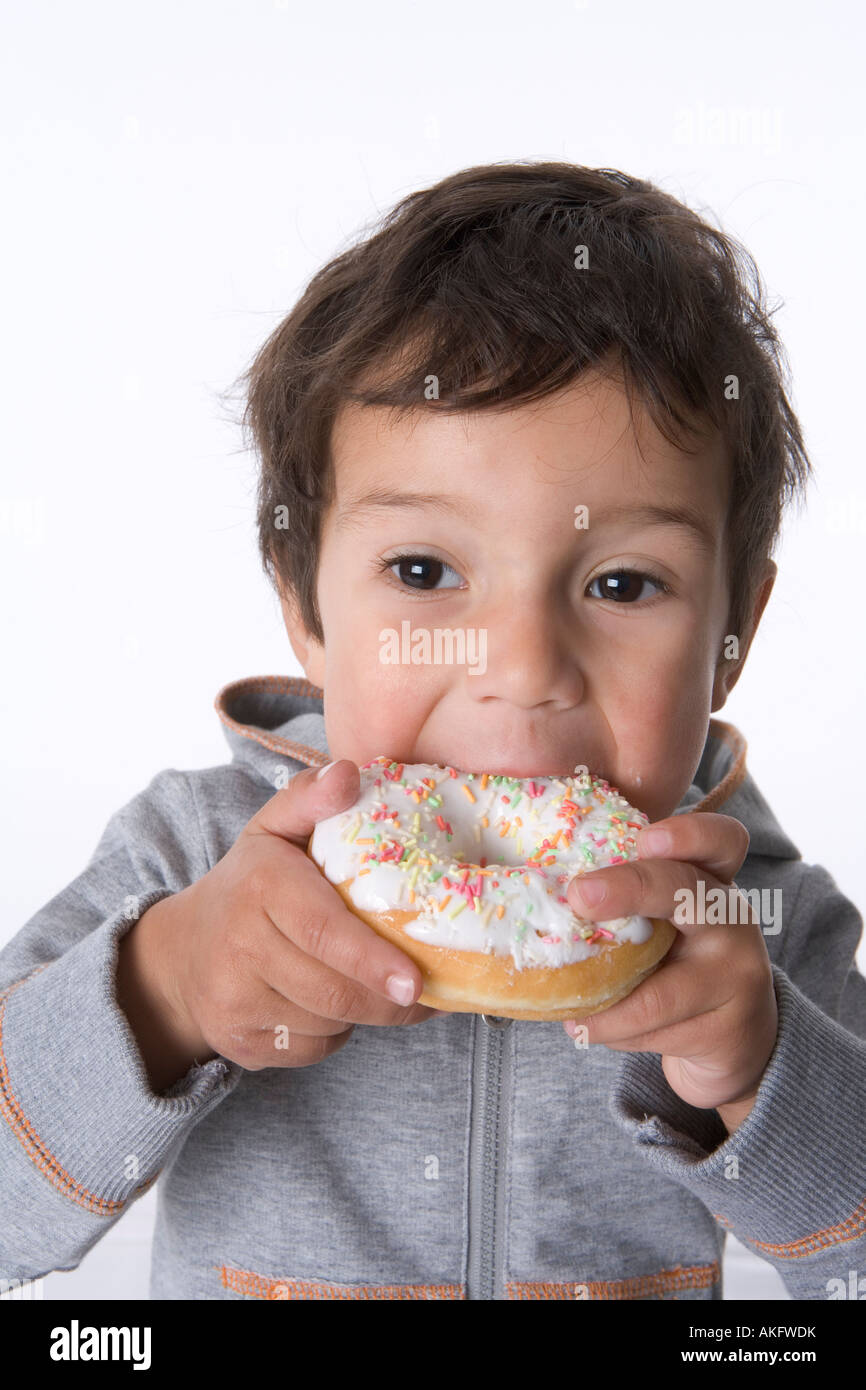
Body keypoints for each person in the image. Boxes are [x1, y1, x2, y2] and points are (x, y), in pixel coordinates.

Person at [2, 161, 864, 1301]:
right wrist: (164, 991)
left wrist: (759, 1073)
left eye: (619, 584)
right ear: (305, 609)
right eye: (422, 570)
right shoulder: (199, 855)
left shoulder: (746, 917)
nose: (517, 669)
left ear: (728, 637)